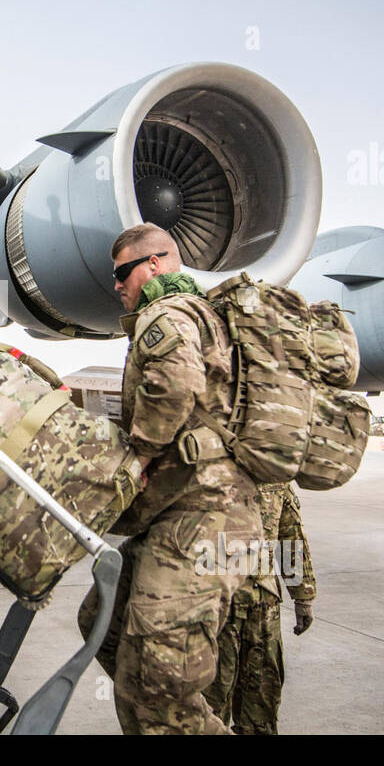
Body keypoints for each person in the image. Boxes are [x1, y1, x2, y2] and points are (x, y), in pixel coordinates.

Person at [77, 222, 263, 734]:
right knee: (104, 625)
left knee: (160, 693)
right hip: (178, 518)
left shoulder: (167, 311)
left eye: (122, 272)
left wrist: (137, 458)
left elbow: (175, 384)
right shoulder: (203, 316)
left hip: (204, 522)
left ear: (155, 264)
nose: (117, 284)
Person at [204, 482, 316, 734]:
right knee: (211, 695)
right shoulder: (205, 474)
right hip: (215, 606)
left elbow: (290, 537)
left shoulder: (276, 478)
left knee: (263, 693)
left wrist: (303, 595)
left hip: (263, 607)